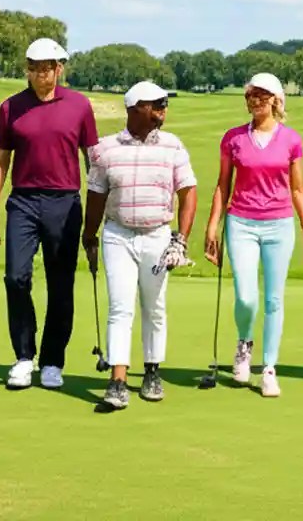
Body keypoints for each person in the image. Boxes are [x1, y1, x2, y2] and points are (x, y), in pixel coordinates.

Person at [0, 37, 99, 391]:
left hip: (64, 202)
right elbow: (0, 158)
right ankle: (24, 357)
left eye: (46, 69)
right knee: (15, 278)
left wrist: (99, 206)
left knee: (61, 284)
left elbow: (92, 159)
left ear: (59, 69)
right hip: (23, 201)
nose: (39, 75)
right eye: (33, 69)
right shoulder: (10, 107)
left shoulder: (79, 106)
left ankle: (52, 361)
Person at [82, 81, 198, 410]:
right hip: (118, 234)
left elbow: (188, 192)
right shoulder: (105, 149)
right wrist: (88, 236)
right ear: (134, 110)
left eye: (164, 102)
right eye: (155, 103)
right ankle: (118, 379)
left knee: (154, 306)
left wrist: (181, 239)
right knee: (121, 306)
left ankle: (151, 372)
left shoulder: (173, 146)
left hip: (158, 235)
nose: (163, 107)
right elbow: (95, 196)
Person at [203, 72, 303, 398]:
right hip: (241, 222)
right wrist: (213, 225)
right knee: (246, 297)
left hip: (280, 224)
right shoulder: (233, 138)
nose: (255, 101)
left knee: (274, 299)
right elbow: (223, 185)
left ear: (276, 101)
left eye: (262, 96)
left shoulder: (291, 140)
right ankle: (244, 342)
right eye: (250, 95)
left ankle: (268, 367)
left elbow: (298, 189)